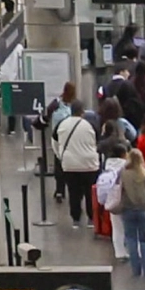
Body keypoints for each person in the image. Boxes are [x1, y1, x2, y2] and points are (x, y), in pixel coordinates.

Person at [48, 97, 102, 226]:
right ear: (82, 112)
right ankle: (91, 218)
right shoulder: (90, 125)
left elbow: (54, 142)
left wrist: (61, 155)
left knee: (73, 192)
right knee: (90, 192)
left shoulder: (62, 124)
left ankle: (76, 219)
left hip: (69, 164)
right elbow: (97, 142)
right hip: (89, 164)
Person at [113, 148, 145, 280]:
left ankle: (135, 269)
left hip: (128, 209)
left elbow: (118, 188)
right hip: (143, 210)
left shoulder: (123, 174)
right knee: (144, 240)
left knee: (131, 239)